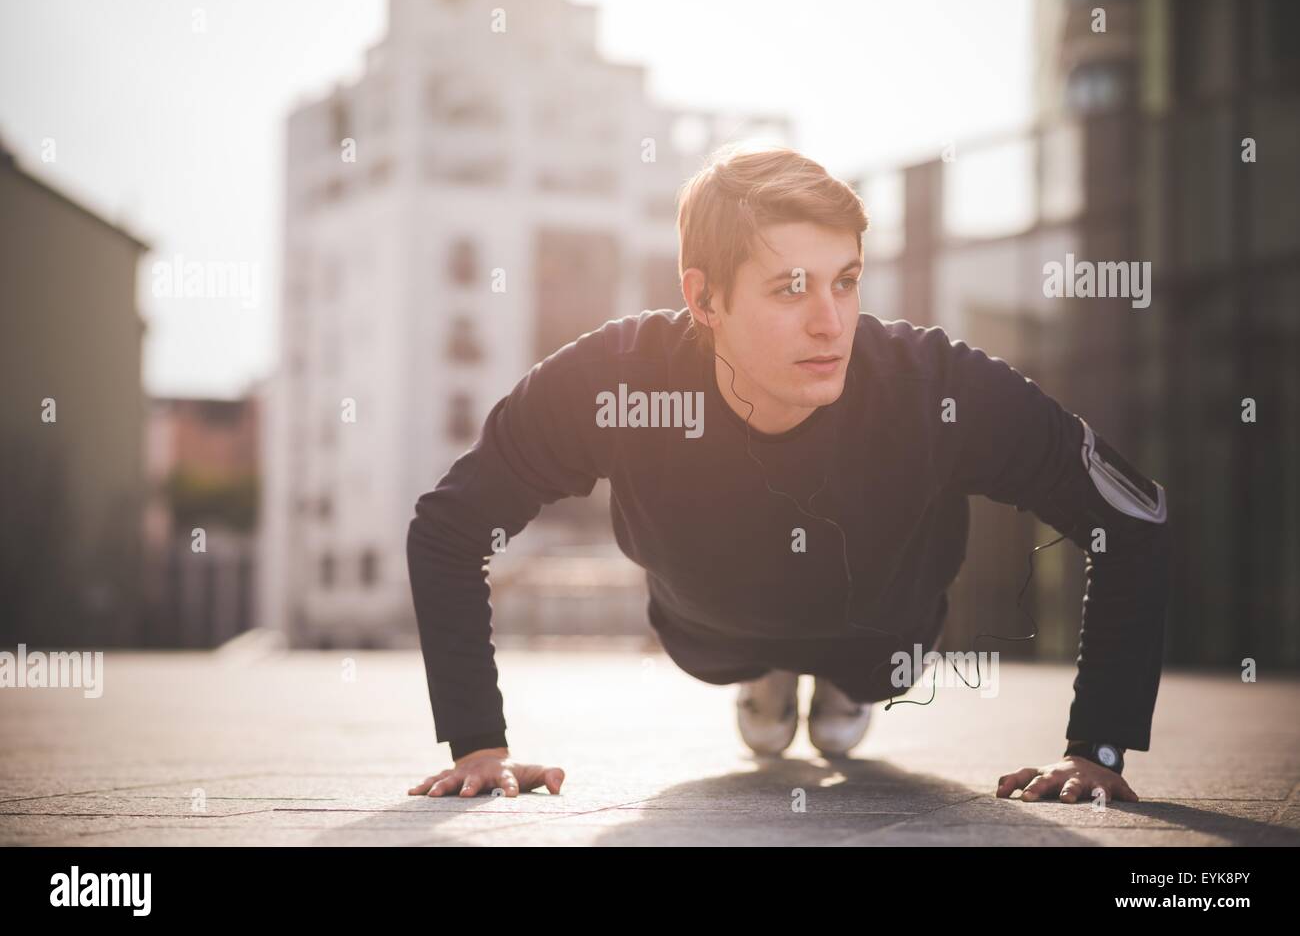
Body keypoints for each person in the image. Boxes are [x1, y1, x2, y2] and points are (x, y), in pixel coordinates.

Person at [406, 143, 1171, 806]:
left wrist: (1095, 750)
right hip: (710, 633)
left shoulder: (933, 384)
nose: (830, 323)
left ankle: (833, 681)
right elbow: (449, 526)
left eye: (846, 280)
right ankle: (767, 674)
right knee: (739, 641)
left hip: (882, 639)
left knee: (866, 665)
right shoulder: (617, 382)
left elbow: (1129, 519)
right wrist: (479, 745)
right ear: (704, 298)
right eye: (791, 288)